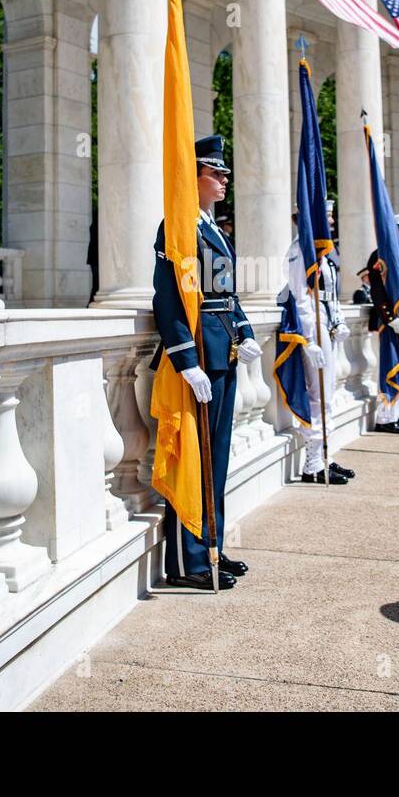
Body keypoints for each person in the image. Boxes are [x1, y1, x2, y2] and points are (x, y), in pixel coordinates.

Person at [152, 134, 256, 590]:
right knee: (194, 456)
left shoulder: (212, 228)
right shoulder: (177, 227)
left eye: (224, 174)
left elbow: (226, 293)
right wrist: (186, 360)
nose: (224, 181)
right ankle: (188, 561)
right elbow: (169, 297)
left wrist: (246, 330)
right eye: (216, 173)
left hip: (224, 349)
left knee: (217, 456)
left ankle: (212, 544)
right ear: (193, 177)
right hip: (200, 355)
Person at [283, 207, 352, 485]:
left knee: (328, 392)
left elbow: (330, 292)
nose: (332, 219)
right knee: (318, 394)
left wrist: (340, 320)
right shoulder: (301, 249)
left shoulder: (325, 251)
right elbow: (299, 296)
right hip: (314, 325)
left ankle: (325, 455)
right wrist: (310, 338)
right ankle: (313, 464)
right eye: (327, 214)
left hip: (328, 322)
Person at [362, 231, 399, 433]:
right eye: (398, 232)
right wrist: (390, 318)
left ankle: (395, 415)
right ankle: (385, 418)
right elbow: (377, 290)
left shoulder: (398, 255)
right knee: (388, 368)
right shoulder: (380, 257)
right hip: (389, 323)